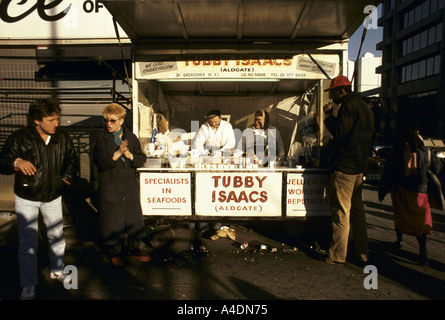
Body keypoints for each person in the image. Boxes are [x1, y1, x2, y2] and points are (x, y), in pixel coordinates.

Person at [0, 98, 78, 300]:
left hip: (53, 196)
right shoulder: (19, 138)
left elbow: (72, 160)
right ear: (37, 120)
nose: (56, 124)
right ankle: (28, 286)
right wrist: (17, 161)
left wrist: (64, 180)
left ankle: (58, 270)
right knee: (28, 244)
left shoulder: (63, 138)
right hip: (26, 198)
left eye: (57, 119)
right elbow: (2, 161)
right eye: (50, 120)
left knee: (57, 237)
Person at [322, 75, 375, 266]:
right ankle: (363, 254)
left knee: (341, 214)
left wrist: (329, 116)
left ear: (341, 90)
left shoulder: (347, 106)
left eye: (333, 92)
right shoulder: (365, 107)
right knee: (358, 213)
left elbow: (340, 132)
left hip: (345, 168)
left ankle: (337, 256)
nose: (332, 97)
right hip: (359, 167)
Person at [93, 103, 149, 267]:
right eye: (106, 121)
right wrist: (117, 153)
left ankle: (133, 249)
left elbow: (141, 159)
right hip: (111, 185)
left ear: (122, 120)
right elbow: (100, 162)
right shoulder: (101, 139)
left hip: (129, 186)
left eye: (112, 120)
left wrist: (129, 155)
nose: (108, 124)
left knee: (133, 218)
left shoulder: (131, 137)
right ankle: (114, 253)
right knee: (113, 221)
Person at [378, 124, 442, 265]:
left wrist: (382, 191)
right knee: (421, 222)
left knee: (400, 216)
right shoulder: (427, 150)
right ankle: (422, 250)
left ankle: (399, 240)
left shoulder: (398, 150)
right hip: (421, 191)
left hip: (401, 190)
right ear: (418, 132)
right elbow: (437, 169)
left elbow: (389, 173)